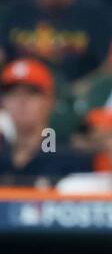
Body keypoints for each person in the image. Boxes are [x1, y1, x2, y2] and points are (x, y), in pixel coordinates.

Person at [0, 58, 92, 186]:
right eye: (13, 93)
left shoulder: (70, 156)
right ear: (3, 102)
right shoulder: (3, 152)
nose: (21, 101)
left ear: (50, 101)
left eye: (32, 93)